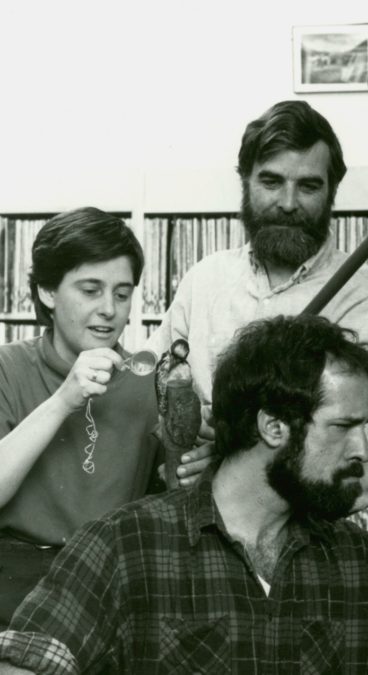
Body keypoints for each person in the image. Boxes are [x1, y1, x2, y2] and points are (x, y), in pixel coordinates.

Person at [0, 315, 368, 673]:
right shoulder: (123, 546)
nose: (364, 452)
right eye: (342, 426)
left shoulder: (356, 561)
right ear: (274, 427)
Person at [144, 100, 368, 510]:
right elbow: (150, 402)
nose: (287, 202)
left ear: (331, 191)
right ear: (245, 182)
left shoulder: (367, 299)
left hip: (303, 536)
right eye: (271, 181)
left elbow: (349, 460)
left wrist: (232, 460)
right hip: (194, 521)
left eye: (308, 186)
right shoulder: (204, 281)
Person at [0, 207, 209, 628]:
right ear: (47, 292)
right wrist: (63, 401)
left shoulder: (151, 379)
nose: (110, 310)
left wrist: (199, 465)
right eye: (90, 290)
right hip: (14, 577)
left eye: (121, 293)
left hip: (115, 575)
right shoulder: (7, 367)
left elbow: (176, 501)